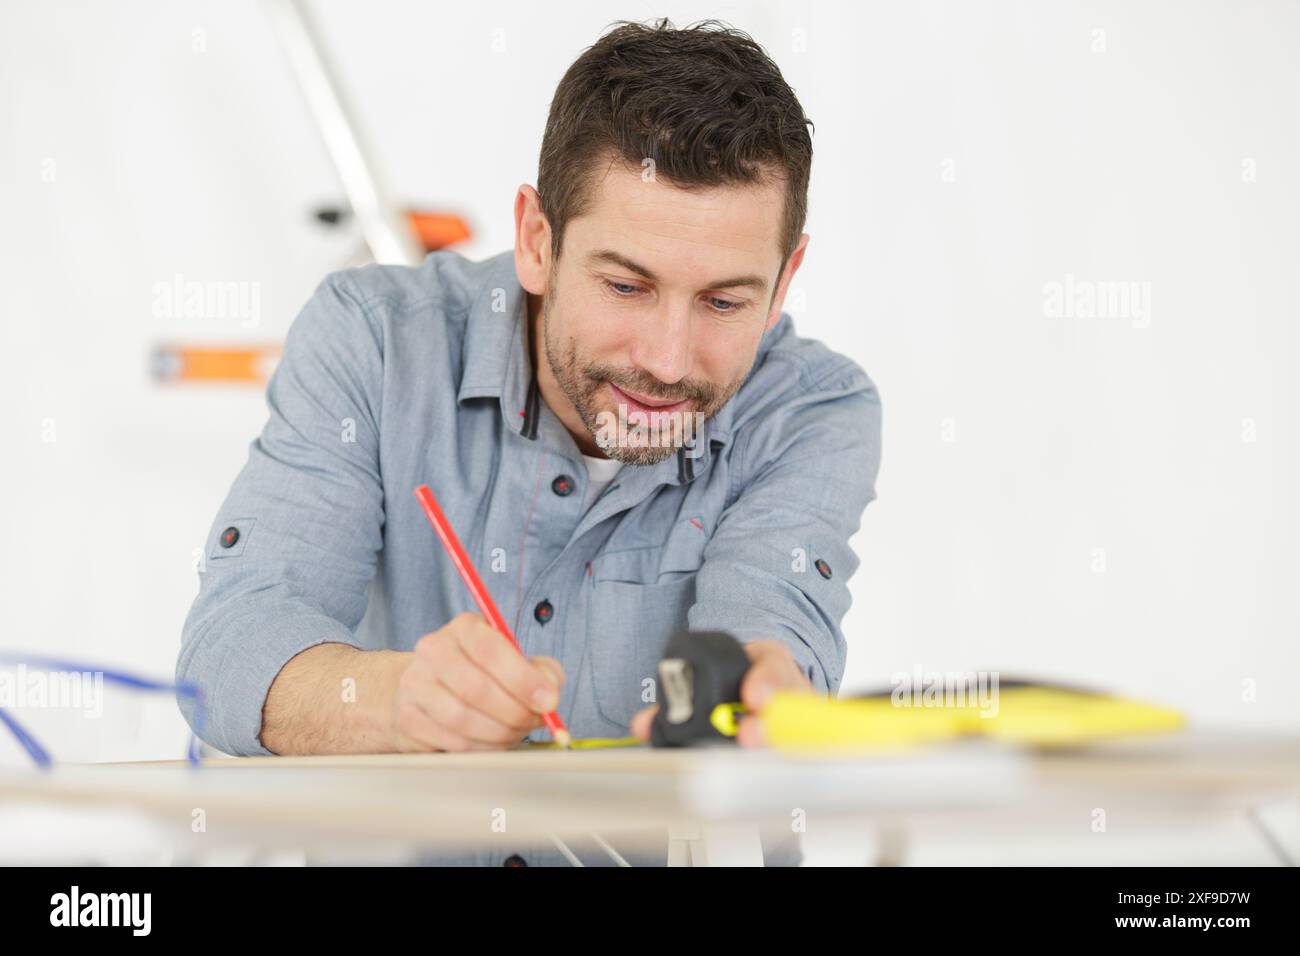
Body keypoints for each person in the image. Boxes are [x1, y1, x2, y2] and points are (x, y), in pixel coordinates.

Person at [177, 17, 881, 866]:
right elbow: (228, 649)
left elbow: (770, 626)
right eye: (626, 285)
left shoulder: (810, 410)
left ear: (785, 283)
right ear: (537, 241)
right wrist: (398, 700)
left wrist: (769, 696)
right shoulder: (374, 342)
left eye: (725, 303)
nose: (665, 360)